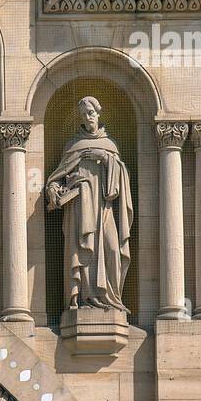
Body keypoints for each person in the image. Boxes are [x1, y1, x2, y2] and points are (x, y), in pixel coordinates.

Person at [45, 96, 133, 312]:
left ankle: (111, 298)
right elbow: (56, 177)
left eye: (91, 113)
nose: (88, 117)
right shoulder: (74, 145)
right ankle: (86, 298)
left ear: (98, 113)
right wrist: (54, 190)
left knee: (113, 248)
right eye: (84, 114)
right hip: (79, 211)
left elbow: (122, 179)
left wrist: (104, 158)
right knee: (82, 251)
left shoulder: (109, 146)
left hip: (104, 209)